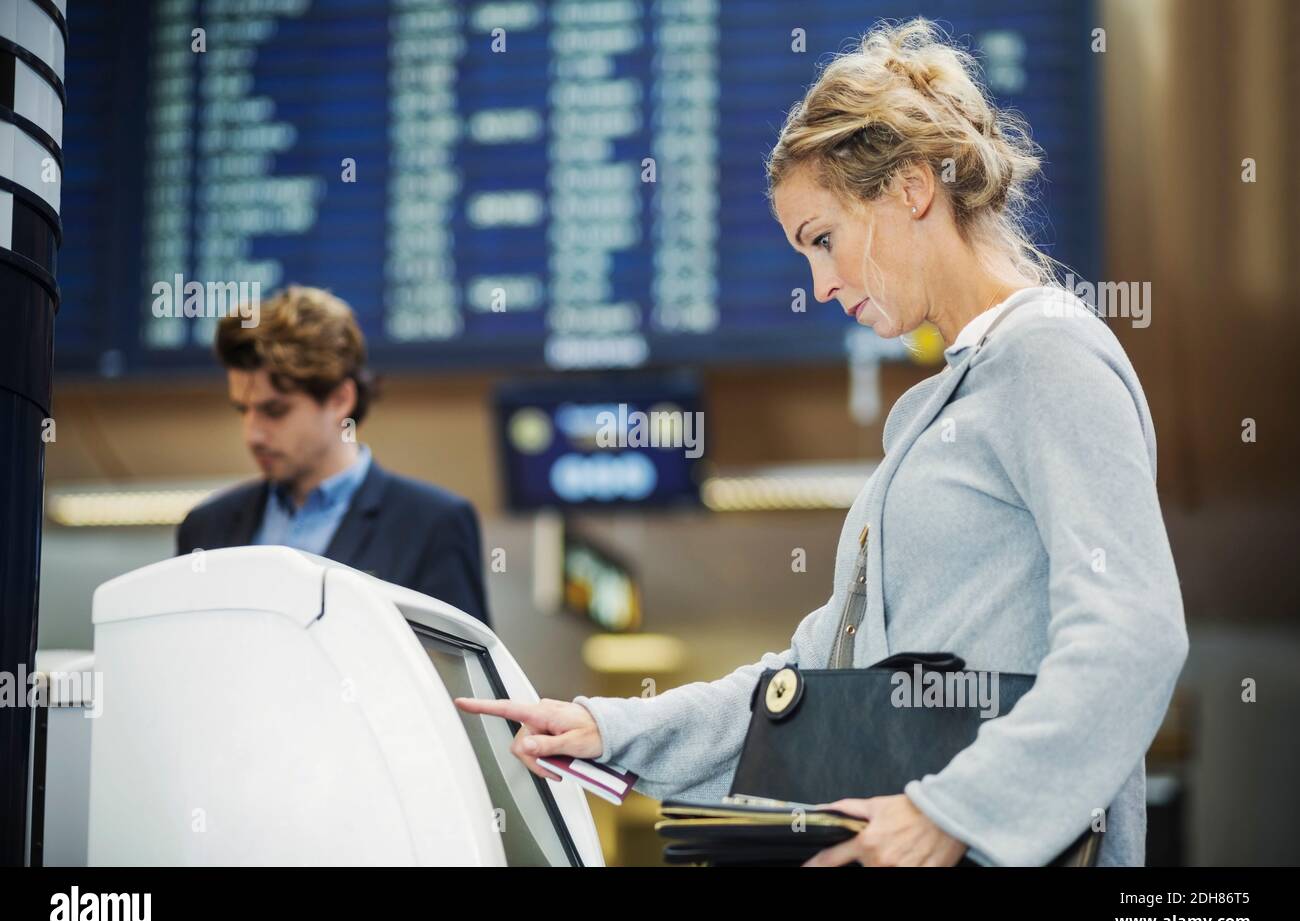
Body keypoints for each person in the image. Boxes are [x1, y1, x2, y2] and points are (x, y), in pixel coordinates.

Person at [455, 18, 1187, 866]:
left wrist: (956, 812)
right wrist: (605, 727)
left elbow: (1135, 635)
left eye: (823, 240)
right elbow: (808, 684)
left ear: (913, 188)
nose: (821, 284)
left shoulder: (1047, 355)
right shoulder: (936, 407)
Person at [176, 285, 491, 627]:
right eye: (243, 411)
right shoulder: (205, 527)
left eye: (275, 411)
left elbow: (454, 678)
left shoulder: (433, 525)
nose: (252, 435)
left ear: (341, 399)